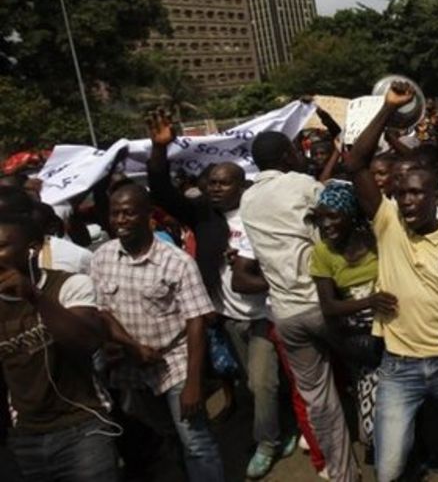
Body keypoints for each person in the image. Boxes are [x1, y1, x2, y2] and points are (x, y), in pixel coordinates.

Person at [346, 81, 438, 481]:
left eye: (415, 194)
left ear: (434, 196)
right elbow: (355, 164)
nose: (407, 201)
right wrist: (387, 107)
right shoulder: (388, 219)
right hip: (398, 368)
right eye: (401, 193)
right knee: (389, 467)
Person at [145, 111, 292, 478]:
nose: (214, 188)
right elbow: (161, 192)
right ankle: (279, 426)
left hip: (266, 314)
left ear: (241, 187)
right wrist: (159, 150)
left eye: (223, 183)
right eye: (211, 182)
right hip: (229, 317)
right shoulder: (203, 216)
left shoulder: (260, 211)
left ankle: (268, 442)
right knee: (254, 384)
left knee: (261, 382)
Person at [239, 131, 356, 482]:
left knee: (319, 401)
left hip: (286, 315)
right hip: (325, 304)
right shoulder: (301, 185)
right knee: (368, 373)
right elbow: (335, 219)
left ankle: (341, 473)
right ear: (289, 154)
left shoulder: (247, 200)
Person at [91, 184, 223, 482]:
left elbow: (196, 322)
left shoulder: (177, 262)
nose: (120, 220)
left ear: (148, 216)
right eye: (115, 213)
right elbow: (101, 310)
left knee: (196, 443)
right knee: (167, 434)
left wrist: (193, 383)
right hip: (133, 367)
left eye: (128, 213)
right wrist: (130, 345)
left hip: (174, 364)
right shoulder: (102, 258)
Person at [0, 210, 119, 481]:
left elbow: (87, 342)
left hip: (82, 429)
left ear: (32, 248)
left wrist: (35, 297)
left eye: (2, 247)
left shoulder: (69, 285)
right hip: (25, 437)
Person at [309, 180, 397, 458]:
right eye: (320, 217)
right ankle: (381, 446)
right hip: (359, 339)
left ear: (351, 215)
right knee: (374, 400)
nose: (325, 224)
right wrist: (368, 302)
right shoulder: (322, 252)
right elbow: (329, 307)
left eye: (333, 216)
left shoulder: (375, 239)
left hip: (393, 325)